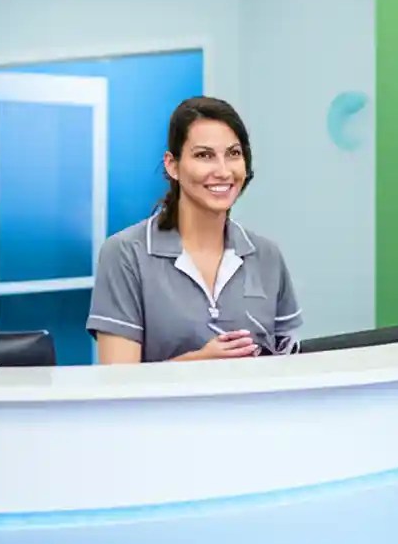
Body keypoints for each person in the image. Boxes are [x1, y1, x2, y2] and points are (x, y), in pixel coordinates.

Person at [87, 96, 302, 364]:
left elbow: (291, 363)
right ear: (172, 165)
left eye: (233, 154)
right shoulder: (125, 253)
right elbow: (118, 382)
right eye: (204, 155)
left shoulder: (267, 255)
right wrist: (197, 364)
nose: (223, 171)